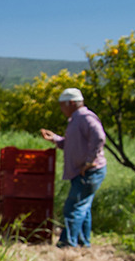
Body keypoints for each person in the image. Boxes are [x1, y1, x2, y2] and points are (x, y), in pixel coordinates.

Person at [40, 88, 107, 248]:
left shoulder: (85, 117)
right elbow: (72, 144)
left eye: (62, 105)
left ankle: (67, 243)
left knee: (73, 207)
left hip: (89, 171)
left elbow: (99, 137)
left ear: (71, 103)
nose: (61, 109)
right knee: (83, 207)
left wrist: (90, 161)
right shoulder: (76, 119)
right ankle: (83, 242)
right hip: (83, 171)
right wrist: (55, 139)